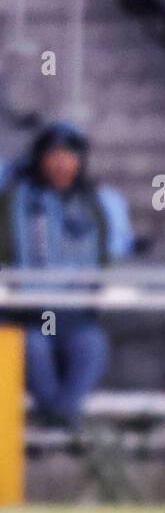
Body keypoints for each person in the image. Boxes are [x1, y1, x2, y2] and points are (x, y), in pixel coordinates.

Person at [0, 122, 132, 428]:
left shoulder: (97, 202)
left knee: (92, 346)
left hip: (75, 314)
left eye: (70, 156)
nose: (62, 164)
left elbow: (114, 251)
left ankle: (57, 416)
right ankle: (60, 418)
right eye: (54, 155)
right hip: (30, 313)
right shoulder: (15, 196)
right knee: (33, 346)